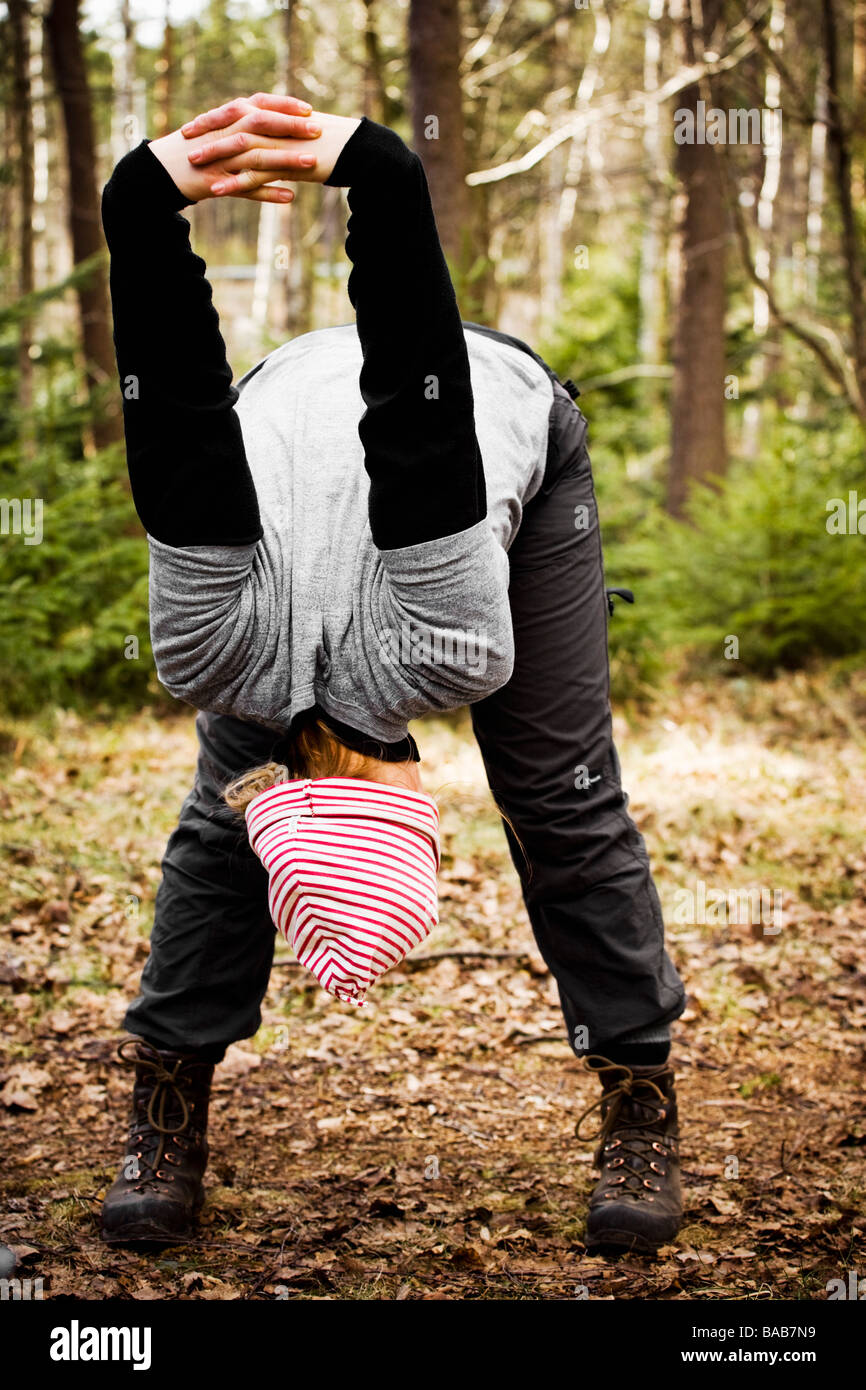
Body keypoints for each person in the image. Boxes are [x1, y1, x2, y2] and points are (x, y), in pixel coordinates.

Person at [98, 94, 686, 1255]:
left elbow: (407, 384)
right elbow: (178, 415)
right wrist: (151, 200)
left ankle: (639, 1091)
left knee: (557, 792)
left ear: (412, 816)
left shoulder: (298, 646)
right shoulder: (237, 654)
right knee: (227, 824)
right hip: (355, 412)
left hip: (490, 397)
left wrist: (379, 174)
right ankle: (163, 1105)